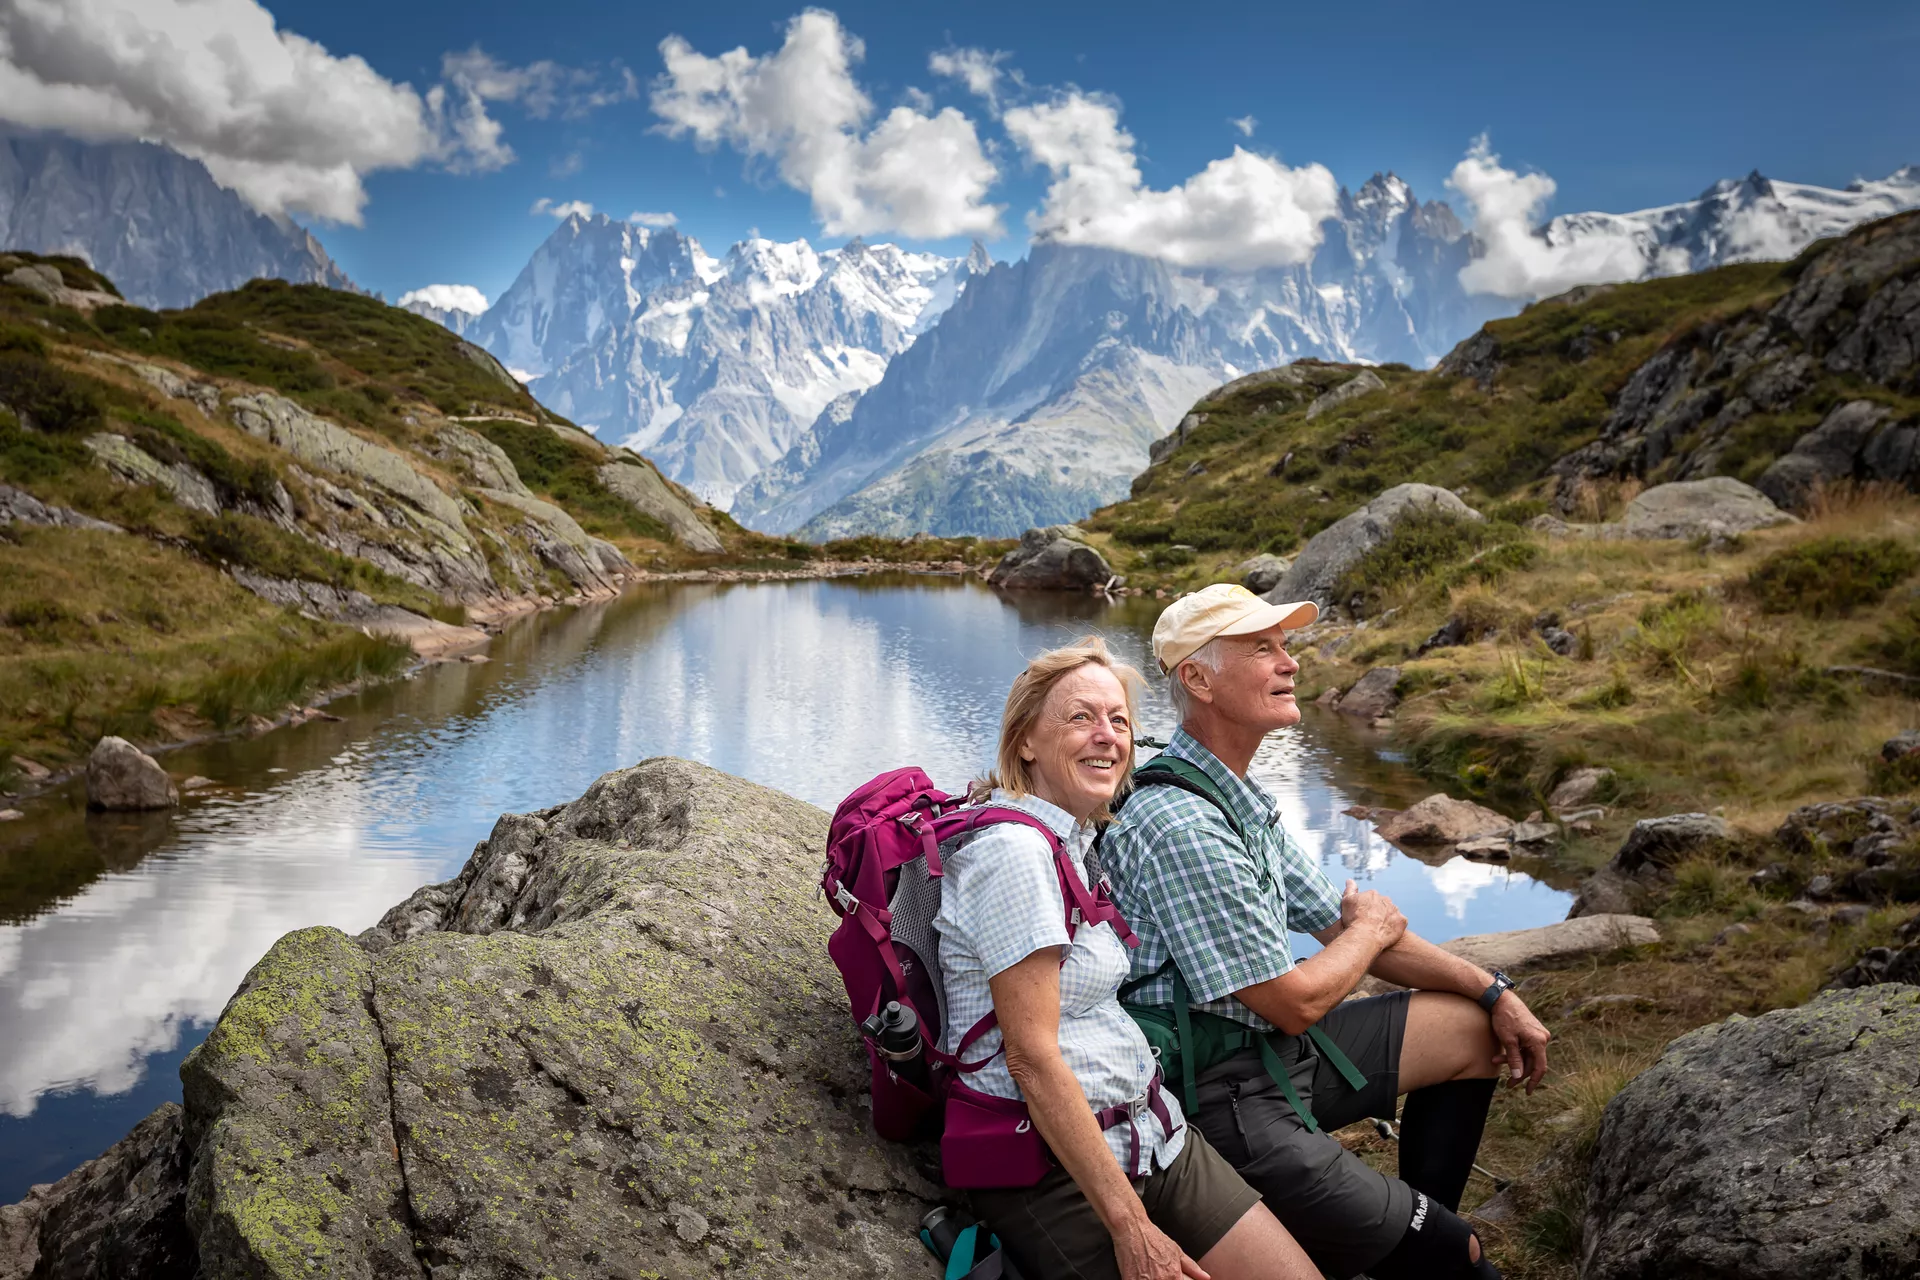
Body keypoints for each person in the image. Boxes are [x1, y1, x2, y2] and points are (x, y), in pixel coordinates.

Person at [1100, 584, 1555, 1280]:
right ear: (1198, 677)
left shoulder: (1228, 796)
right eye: (1263, 648)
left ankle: (1400, 1242)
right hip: (1219, 1099)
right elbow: (1294, 1000)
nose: (1290, 663)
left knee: (1470, 1028)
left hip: (1280, 1057)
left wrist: (1493, 991)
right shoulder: (1181, 824)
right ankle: (1424, 1246)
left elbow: (1345, 924)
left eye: (1285, 646)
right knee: (1463, 1256)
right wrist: (1366, 935)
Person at [934, 636, 1320, 1280]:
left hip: (1156, 1138)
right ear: (1025, 741)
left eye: (1119, 721)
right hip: (1054, 1170)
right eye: (1081, 717)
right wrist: (1131, 1228)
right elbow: (1031, 1057)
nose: (1108, 736)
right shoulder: (1015, 855)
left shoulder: (1076, 841)